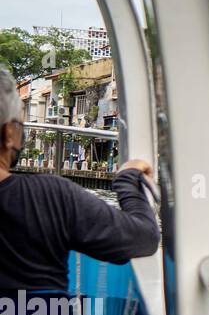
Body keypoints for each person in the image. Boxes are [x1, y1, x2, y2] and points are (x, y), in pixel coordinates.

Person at [0, 68, 160, 291]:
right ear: (9, 134)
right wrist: (128, 181)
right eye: (20, 124)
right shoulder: (48, 196)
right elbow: (143, 237)